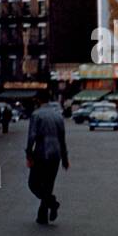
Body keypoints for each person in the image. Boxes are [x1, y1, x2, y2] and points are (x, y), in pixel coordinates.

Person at [25, 88, 69, 225]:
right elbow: (62, 138)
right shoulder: (58, 115)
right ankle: (42, 215)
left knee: (33, 184)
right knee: (48, 184)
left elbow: (32, 136)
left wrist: (29, 153)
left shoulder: (36, 115)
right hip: (55, 154)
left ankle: (52, 203)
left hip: (41, 152)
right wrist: (65, 158)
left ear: (38, 100)